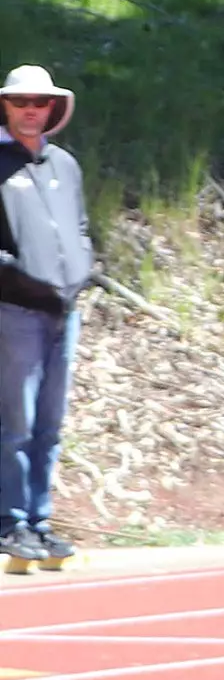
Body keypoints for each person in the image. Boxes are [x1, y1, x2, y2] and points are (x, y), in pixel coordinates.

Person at [0, 64, 90, 575]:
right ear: (6, 107)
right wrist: (17, 276)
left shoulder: (65, 166)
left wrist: (82, 267)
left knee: (50, 426)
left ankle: (38, 519)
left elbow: (78, 226)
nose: (31, 108)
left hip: (65, 311)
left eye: (40, 101)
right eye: (20, 101)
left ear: (53, 108)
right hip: (13, 310)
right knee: (16, 422)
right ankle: (9, 520)